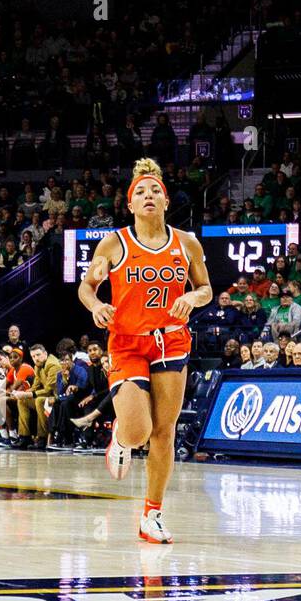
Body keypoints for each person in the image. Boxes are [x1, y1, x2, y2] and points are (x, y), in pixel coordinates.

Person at [78, 157, 212, 543]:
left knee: (164, 432)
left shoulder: (187, 243)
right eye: (140, 191)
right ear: (130, 204)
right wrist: (97, 305)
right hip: (127, 342)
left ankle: (151, 514)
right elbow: (87, 287)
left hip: (170, 338)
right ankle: (121, 434)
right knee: (140, 433)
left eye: (155, 190)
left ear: (166, 201)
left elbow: (206, 289)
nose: (148, 195)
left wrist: (193, 297)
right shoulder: (114, 242)